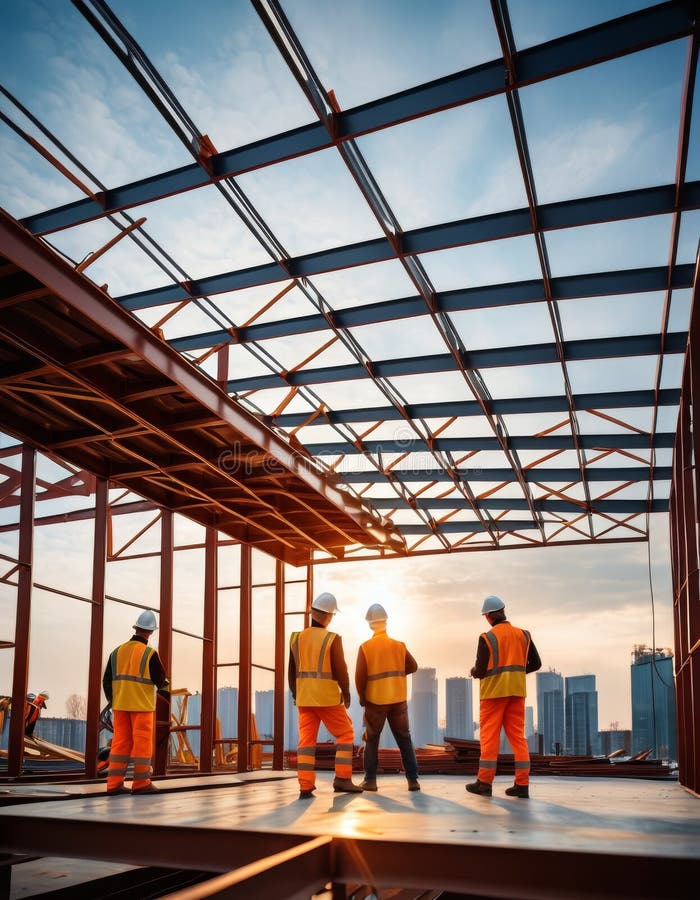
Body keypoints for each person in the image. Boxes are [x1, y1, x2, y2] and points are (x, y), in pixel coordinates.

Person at [288, 591, 363, 798]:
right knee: (345, 733)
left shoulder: (296, 638)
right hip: (327, 698)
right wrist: (346, 693)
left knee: (306, 743)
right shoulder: (332, 639)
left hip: (304, 699)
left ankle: (305, 786)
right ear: (329, 617)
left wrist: (297, 694)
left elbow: (291, 672)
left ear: (312, 612)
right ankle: (342, 779)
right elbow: (341, 670)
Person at [466, 595, 541, 799]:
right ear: (503, 611)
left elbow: (481, 670)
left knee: (489, 738)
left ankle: (484, 783)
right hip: (516, 693)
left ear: (489, 615)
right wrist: (515, 674)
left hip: (493, 695)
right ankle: (522, 785)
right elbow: (536, 664)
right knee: (518, 738)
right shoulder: (524, 635)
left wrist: (473, 671)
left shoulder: (487, 638)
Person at [102, 610, 170, 796]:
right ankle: (140, 783)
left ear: (136, 628)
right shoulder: (149, 654)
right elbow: (162, 682)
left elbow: (106, 680)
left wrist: (114, 700)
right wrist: (167, 698)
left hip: (121, 706)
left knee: (120, 744)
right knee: (142, 744)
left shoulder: (117, 652)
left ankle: (114, 784)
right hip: (142, 707)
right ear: (151, 632)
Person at [355, 602, 420, 792]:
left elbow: (360, 678)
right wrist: (398, 672)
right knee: (404, 739)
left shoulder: (366, 647)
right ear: (386, 622)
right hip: (398, 699)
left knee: (372, 740)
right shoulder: (399, 646)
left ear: (370, 624)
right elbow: (413, 666)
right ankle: (413, 781)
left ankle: (370, 781)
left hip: (375, 702)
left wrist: (362, 698)